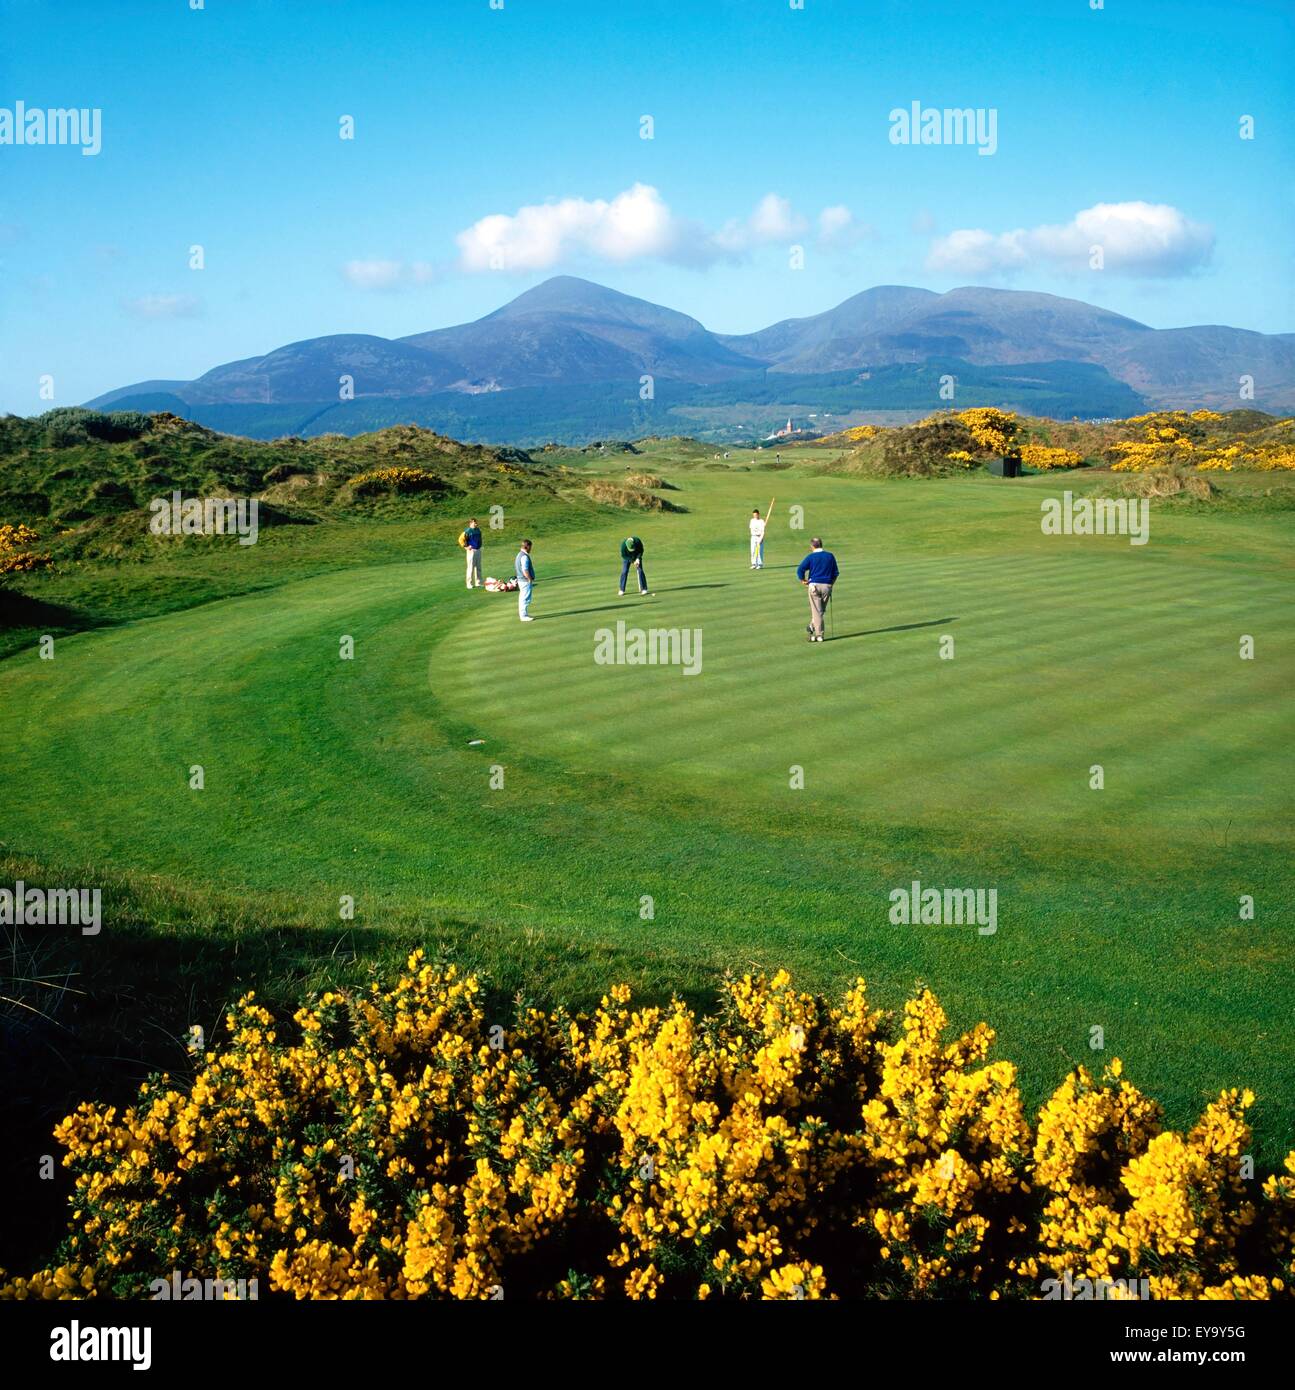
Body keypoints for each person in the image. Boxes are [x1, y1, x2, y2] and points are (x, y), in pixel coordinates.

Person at [796, 537, 839, 642]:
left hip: (814, 586)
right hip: (827, 587)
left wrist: (803, 580)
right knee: (820, 610)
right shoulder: (830, 556)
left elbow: (800, 569)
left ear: (812, 546)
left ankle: (819, 635)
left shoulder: (811, 557)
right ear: (821, 544)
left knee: (817, 611)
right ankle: (811, 626)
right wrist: (831, 584)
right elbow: (836, 573)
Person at [515, 539, 535, 621]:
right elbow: (525, 570)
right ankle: (523, 616)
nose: (531, 549)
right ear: (528, 546)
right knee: (525, 598)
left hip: (521, 580)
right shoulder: (524, 556)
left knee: (523, 597)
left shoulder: (519, 554)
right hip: (524, 580)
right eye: (530, 547)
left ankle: (524, 614)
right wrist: (529, 578)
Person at [461, 517, 483, 589]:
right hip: (471, 551)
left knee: (478, 567)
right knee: (471, 568)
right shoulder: (467, 531)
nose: (476, 523)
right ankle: (469, 583)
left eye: (476, 522)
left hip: (478, 550)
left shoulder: (478, 530)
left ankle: (478, 582)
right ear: (471, 523)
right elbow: (461, 539)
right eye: (475, 522)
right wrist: (466, 547)